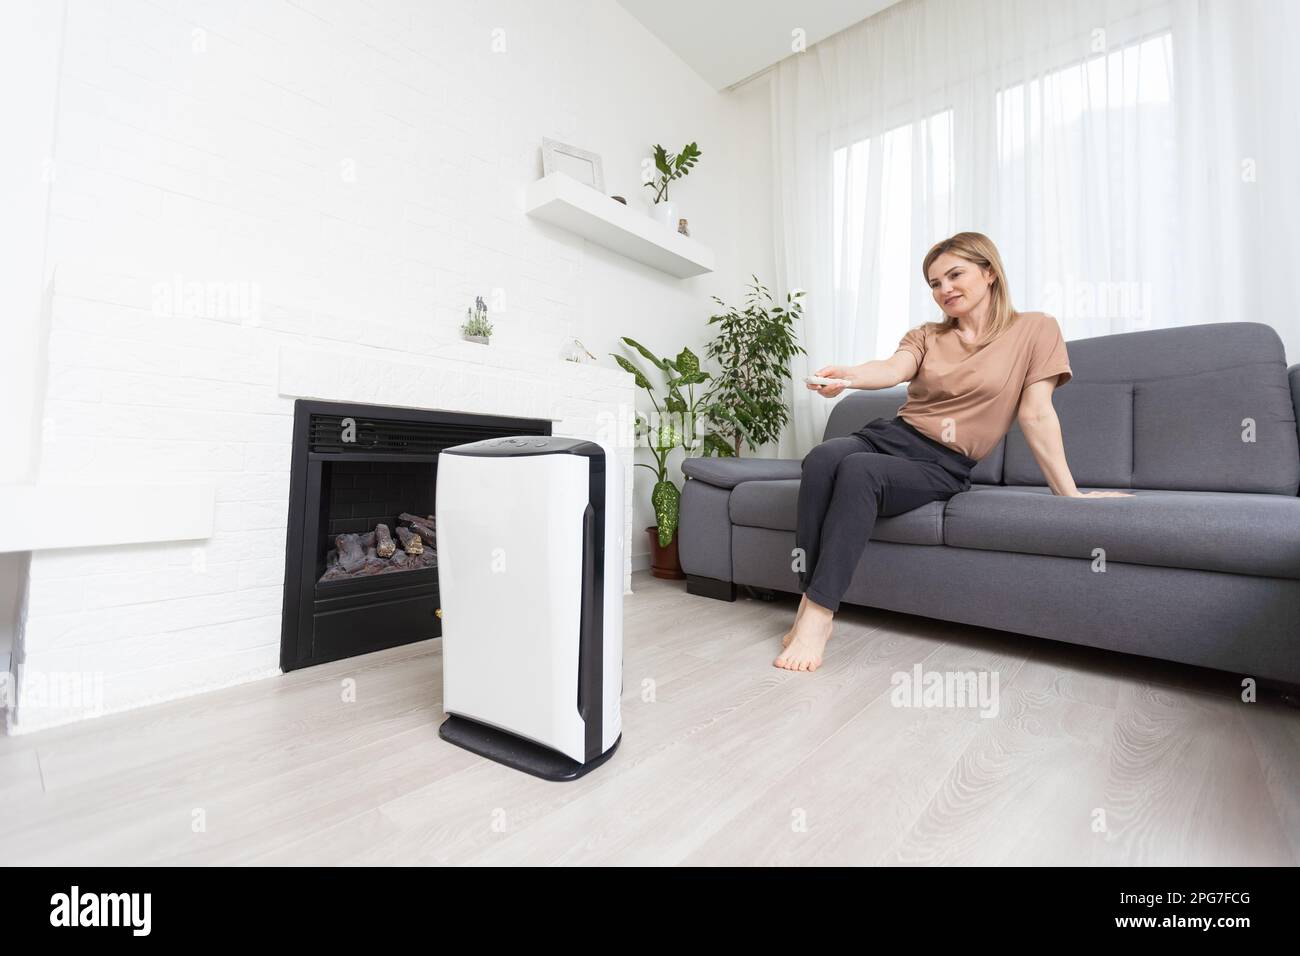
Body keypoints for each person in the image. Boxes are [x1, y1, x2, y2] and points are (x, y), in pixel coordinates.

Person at [776, 231, 1133, 672]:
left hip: (942, 463)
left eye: (954, 275)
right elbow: (892, 369)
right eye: (934, 283)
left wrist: (1070, 494)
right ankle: (808, 601)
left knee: (859, 472)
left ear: (989, 272)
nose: (944, 289)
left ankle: (819, 616)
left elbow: (1037, 415)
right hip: (891, 436)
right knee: (823, 458)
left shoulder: (1035, 329)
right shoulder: (926, 335)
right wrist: (849, 375)